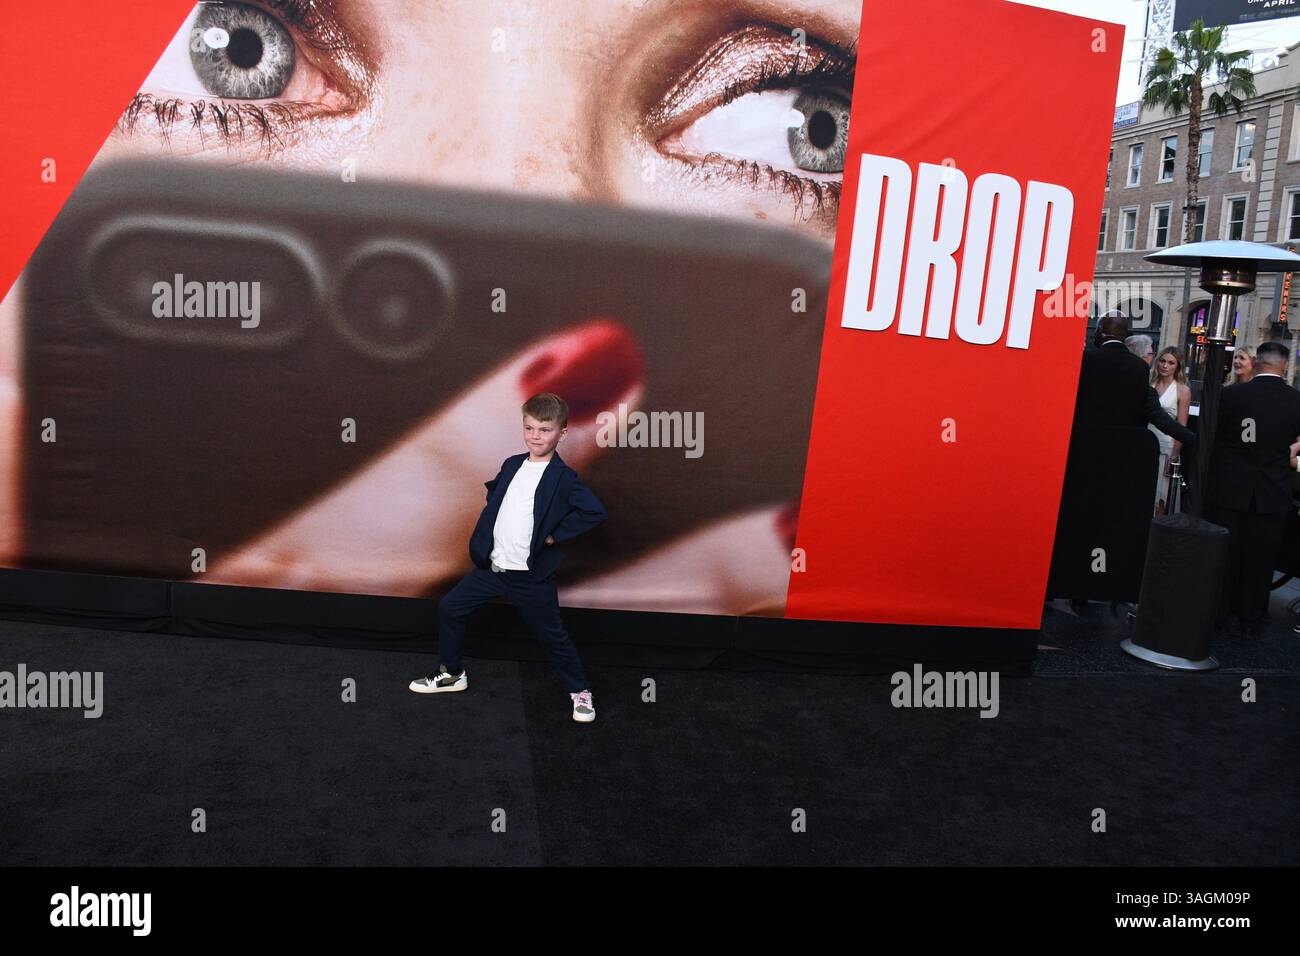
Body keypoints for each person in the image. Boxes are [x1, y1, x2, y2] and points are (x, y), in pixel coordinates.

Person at [410, 392, 607, 722]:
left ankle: (580, 692)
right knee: (450, 607)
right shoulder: (512, 464)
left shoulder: (564, 479)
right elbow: (497, 494)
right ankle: (453, 673)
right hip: (493, 568)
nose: (535, 436)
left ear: (563, 433)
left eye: (544, 430)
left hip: (529, 577)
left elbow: (593, 511)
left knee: (552, 635)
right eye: (529, 428)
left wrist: (552, 534)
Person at [1204, 341, 1300, 634]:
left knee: (1225, 555)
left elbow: (1212, 438)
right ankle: (1252, 612)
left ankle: (1219, 610)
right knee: (1261, 557)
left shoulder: (1231, 394)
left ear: (1257, 363)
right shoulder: (1295, 400)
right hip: (1272, 491)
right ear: (1284, 366)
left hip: (1230, 488)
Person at [1073, 313, 1196, 446]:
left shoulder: (1085, 360)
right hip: (1122, 446)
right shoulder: (1140, 367)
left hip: (1084, 441)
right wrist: (1195, 440)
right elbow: (1156, 415)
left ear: (1100, 330)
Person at [1149, 346, 1192, 514]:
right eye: (1162, 361)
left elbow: (1182, 425)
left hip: (1166, 446)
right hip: (1145, 439)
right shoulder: (1149, 383)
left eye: (1171, 363)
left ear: (1177, 367)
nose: (1165, 366)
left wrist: (1174, 455)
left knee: (1161, 495)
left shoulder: (1182, 390)